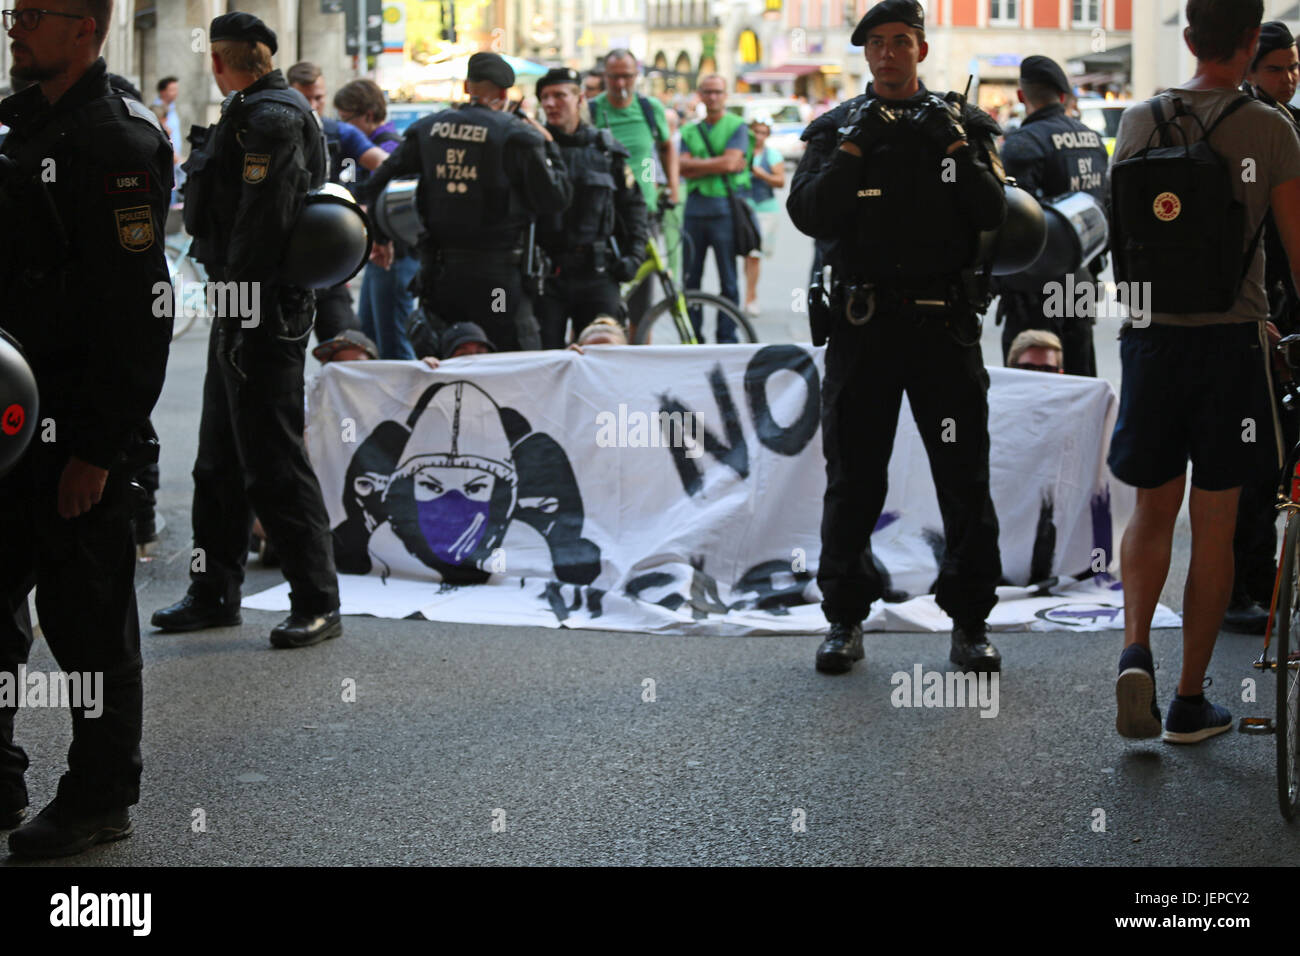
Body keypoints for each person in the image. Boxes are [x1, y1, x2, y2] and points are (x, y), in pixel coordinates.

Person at [787, 0, 1008, 676]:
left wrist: (953, 143)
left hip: (942, 327)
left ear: (921, 48)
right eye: (876, 43)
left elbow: (991, 208)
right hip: (865, 326)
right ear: (864, 53)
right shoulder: (836, 128)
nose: (888, 54)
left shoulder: (963, 125)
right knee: (853, 478)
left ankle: (970, 622)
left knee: (963, 476)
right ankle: (845, 618)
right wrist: (854, 146)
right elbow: (809, 213)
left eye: (901, 41)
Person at [0, 0, 172, 857]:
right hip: (7, 421)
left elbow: (140, 318)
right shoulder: (21, 124)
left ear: (87, 28)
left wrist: (97, 452)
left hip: (75, 434)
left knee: (89, 628)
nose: (15, 27)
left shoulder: (116, 144)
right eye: (13, 12)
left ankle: (99, 797)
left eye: (35, 15)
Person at [1110, 0, 1300, 743]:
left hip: (1153, 341)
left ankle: (1134, 651)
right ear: (1252, 42)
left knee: (1152, 513)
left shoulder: (1137, 121)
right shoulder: (1270, 129)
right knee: (1214, 525)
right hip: (1231, 345)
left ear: (1188, 39)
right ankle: (1190, 699)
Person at [151, 12, 343, 650]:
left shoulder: (273, 118)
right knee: (219, 463)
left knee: (273, 462)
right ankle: (214, 592)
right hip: (239, 304)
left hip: (260, 309)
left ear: (218, 61)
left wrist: (237, 303)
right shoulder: (254, 110)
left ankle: (316, 599)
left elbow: (261, 226)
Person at [357, 52, 572, 353]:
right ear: (503, 93)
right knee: (506, 354)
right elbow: (556, 198)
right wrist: (550, 146)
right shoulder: (517, 134)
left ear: (468, 87)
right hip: (497, 281)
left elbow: (377, 181)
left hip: (443, 280)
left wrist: (380, 238)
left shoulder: (428, 129)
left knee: (448, 357)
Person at [1228, 20, 1300, 633]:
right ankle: (1244, 589)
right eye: (1276, 69)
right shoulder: (1255, 128)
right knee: (1257, 460)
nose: (1289, 79)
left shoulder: (1285, 123)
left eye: (1294, 68)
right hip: (1262, 316)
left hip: (1278, 313)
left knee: (1278, 458)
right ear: (1251, 68)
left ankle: (1267, 581)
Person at [995, 55, 1109, 377]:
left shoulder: (1022, 144)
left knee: (1030, 391)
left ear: (1021, 96)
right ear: (1063, 97)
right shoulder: (1093, 140)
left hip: (1033, 291)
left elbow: (1012, 225)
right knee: (1079, 382)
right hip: (1081, 280)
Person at [533, 67, 648, 348]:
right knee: (545, 360)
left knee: (603, 360)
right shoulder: (532, 150)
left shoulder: (606, 150)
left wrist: (634, 256)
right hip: (546, 277)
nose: (550, 104)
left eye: (559, 96)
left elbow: (634, 208)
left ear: (580, 99)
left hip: (597, 274)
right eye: (545, 97)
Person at [287, 61, 385, 343]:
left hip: (330, 258)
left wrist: (366, 214)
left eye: (319, 98)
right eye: (305, 99)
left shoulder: (341, 133)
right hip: (285, 262)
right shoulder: (271, 134)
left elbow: (385, 165)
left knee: (346, 345)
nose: (313, 105)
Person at [589, 50, 681, 322]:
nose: (620, 84)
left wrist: (672, 187)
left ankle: (640, 351)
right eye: (614, 77)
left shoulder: (649, 108)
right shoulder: (592, 110)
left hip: (643, 212)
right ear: (605, 77)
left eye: (627, 76)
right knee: (598, 298)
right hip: (603, 214)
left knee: (642, 302)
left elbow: (666, 148)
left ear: (636, 76)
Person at [334, 78, 418, 360]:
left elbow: (395, 205)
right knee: (370, 341)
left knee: (394, 348)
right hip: (381, 256)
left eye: (346, 120)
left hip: (394, 257)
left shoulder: (387, 149)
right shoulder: (380, 145)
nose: (343, 128)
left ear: (368, 116)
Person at [679, 73, 749, 342]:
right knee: (690, 279)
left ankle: (726, 337)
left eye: (717, 92)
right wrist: (717, 163)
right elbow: (681, 167)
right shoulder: (689, 129)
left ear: (725, 95)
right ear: (700, 95)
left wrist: (696, 165)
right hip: (694, 210)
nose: (712, 97)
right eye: (707, 92)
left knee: (728, 280)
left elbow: (732, 164)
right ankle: (693, 336)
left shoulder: (737, 126)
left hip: (723, 210)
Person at [742, 115, 785, 317]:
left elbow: (780, 181)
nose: (758, 136)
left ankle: (751, 296)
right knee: (747, 254)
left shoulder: (772, 155)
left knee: (755, 256)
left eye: (762, 132)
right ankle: (749, 295)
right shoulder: (742, 152)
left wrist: (762, 174)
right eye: (755, 131)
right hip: (744, 208)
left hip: (765, 209)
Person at [153, 74, 181, 203]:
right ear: (162, 91)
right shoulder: (156, 112)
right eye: (172, 90)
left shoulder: (172, 109)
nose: (175, 93)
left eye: (176, 89)